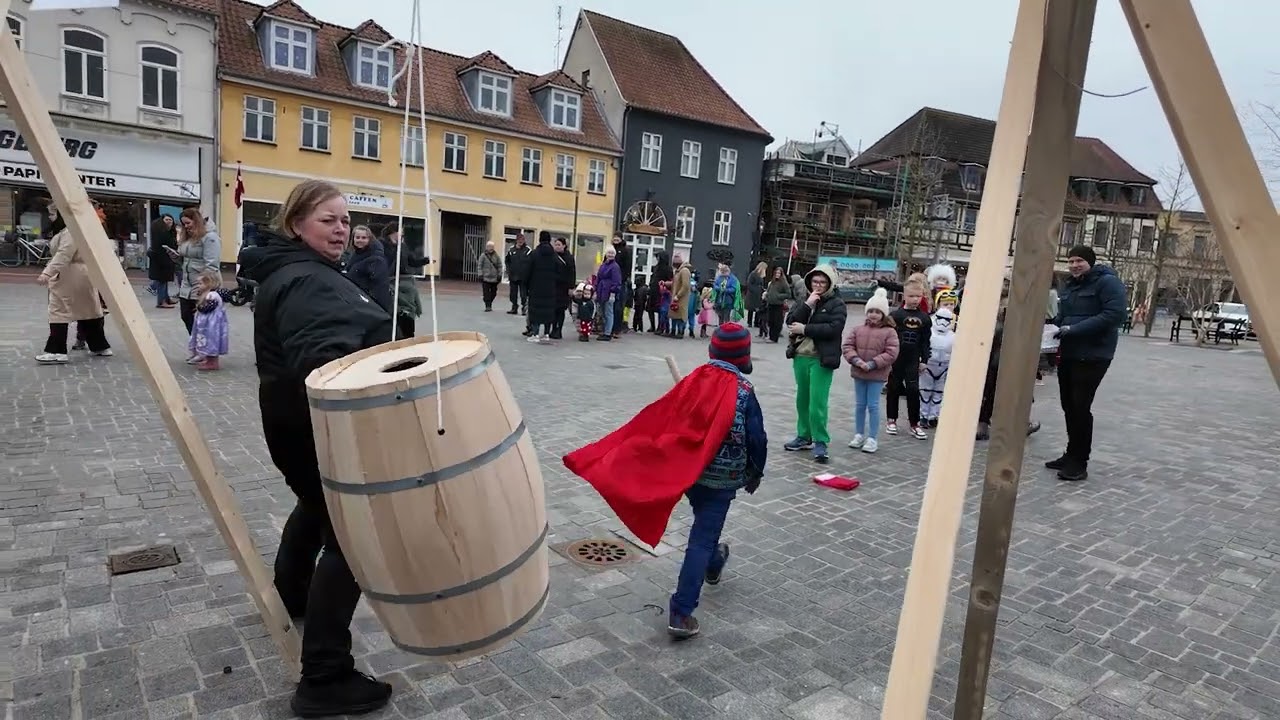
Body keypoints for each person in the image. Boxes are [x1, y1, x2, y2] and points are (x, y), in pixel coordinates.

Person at [240, 179, 395, 717]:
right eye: (327, 219)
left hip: (294, 427)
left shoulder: (301, 271)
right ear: (295, 224)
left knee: (315, 503)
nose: (340, 228)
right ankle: (324, 677)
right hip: (320, 430)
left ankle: (292, 590)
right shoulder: (306, 280)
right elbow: (325, 363)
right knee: (351, 537)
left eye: (344, 219)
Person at [562, 322, 766, 639]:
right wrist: (755, 473)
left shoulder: (696, 381)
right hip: (723, 480)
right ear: (744, 357)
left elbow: (674, 420)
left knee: (705, 531)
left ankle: (715, 561)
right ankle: (681, 612)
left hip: (692, 475)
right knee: (701, 537)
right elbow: (757, 438)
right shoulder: (744, 392)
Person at [1047, 246, 1126, 482]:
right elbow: (1064, 315)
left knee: (1080, 408)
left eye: (1079, 260)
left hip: (1093, 355)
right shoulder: (1071, 285)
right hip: (1070, 352)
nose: (1074, 265)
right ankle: (1071, 453)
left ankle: (1079, 463)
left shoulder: (1107, 282)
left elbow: (1114, 315)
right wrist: (1052, 326)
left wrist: (1074, 329)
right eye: (1070, 261)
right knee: (1068, 406)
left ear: (1090, 261)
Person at [782, 263, 847, 463]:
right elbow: (791, 321)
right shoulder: (805, 299)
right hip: (801, 355)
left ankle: (820, 440)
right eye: (815, 281)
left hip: (821, 358)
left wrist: (806, 329)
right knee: (802, 399)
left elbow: (833, 328)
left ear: (830, 283)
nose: (818, 285)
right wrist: (807, 305)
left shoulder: (837, 304)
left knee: (817, 402)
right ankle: (804, 435)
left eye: (822, 282)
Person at [35, 207, 113, 364]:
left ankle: (56, 350)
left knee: (59, 310)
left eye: (53, 214)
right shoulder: (79, 229)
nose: (50, 217)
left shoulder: (71, 231)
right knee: (89, 310)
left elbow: (64, 253)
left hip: (69, 274)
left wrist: (47, 272)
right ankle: (99, 346)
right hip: (83, 274)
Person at [841, 288, 899, 454]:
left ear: (884, 314)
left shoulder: (890, 332)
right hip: (859, 372)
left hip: (877, 374)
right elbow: (848, 346)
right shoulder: (858, 330)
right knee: (860, 405)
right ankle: (859, 434)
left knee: (873, 405)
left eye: (877, 312)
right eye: (871, 311)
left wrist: (873, 364)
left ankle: (872, 437)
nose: (873, 315)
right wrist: (856, 360)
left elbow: (891, 352)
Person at [885, 280, 931, 439]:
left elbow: (926, 341)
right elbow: (887, 338)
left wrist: (924, 360)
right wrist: (886, 358)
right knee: (893, 388)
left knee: (913, 390)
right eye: (911, 296)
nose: (915, 299)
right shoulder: (895, 315)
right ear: (904, 295)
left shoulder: (924, 318)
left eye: (918, 296)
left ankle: (914, 423)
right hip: (896, 358)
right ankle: (891, 419)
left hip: (913, 359)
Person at [175, 209, 222, 337]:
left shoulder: (210, 237)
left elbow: (212, 264)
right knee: (186, 316)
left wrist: (206, 288)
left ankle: (204, 350)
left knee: (202, 320)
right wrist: (176, 257)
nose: (186, 226)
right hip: (186, 283)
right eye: (183, 224)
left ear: (196, 220)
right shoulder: (188, 237)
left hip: (201, 283)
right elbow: (185, 258)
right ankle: (196, 346)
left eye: (188, 223)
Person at [383, 227, 425, 336]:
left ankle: (408, 335)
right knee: (396, 310)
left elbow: (412, 261)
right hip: (392, 281)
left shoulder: (403, 247)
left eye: (402, 233)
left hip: (406, 280)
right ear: (392, 233)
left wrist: (426, 260)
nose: (402, 235)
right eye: (399, 232)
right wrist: (395, 246)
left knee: (409, 309)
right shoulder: (384, 245)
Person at [521, 231, 560, 343]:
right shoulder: (554, 255)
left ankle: (536, 334)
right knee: (548, 311)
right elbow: (559, 271)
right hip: (550, 288)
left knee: (535, 311)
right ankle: (546, 334)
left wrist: (526, 284)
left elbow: (527, 271)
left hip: (536, 287)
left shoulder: (534, 254)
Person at [919, 307, 955, 427]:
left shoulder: (953, 336)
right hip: (929, 365)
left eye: (947, 319)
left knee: (938, 393)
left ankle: (933, 415)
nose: (943, 322)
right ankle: (923, 415)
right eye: (940, 318)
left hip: (944, 366)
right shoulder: (929, 332)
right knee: (925, 391)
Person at [188, 270, 230, 371]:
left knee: (211, 341)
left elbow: (206, 308)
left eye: (200, 283)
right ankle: (208, 359)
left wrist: (199, 307)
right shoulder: (207, 294)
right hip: (207, 324)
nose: (198, 285)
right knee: (206, 341)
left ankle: (213, 362)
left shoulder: (212, 295)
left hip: (211, 325)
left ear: (209, 283)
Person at [344, 225, 390, 312]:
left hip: (366, 305)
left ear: (370, 240)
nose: (360, 240)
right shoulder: (353, 255)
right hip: (353, 302)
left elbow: (380, 287)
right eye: (357, 237)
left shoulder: (376, 259)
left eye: (364, 238)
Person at [147, 214, 178, 309]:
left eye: (171, 220)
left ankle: (166, 298)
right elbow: (159, 248)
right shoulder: (161, 232)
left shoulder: (170, 232)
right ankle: (161, 301)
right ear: (162, 221)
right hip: (162, 260)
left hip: (166, 259)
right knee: (162, 280)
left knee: (165, 280)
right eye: (167, 220)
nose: (169, 221)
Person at [595, 247, 623, 341]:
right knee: (602, 312)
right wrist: (596, 288)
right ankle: (604, 331)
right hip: (601, 291)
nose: (610, 254)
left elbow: (617, 281)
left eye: (612, 253)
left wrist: (613, 292)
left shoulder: (615, 266)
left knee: (608, 312)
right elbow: (598, 277)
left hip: (609, 292)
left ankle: (607, 333)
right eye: (609, 253)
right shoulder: (603, 265)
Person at [551, 237, 576, 339]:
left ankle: (558, 330)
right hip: (553, 286)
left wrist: (571, 287)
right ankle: (553, 329)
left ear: (564, 246)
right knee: (553, 309)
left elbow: (572, 273)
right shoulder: (552, 256)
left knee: (560, 310)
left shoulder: (568, 257)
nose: (557, 247)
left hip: (564, 287)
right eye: (555, 245)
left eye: (559, 245)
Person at [610, 233, 633, 334]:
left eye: (617, 238)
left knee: (618, 306)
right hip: (609, 282)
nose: (615, 239)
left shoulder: (625, 251)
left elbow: (627, 268)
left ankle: (617, 328)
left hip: (620, 282)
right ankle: (609, 327)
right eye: (614, 238)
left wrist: (621, 280)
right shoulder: (610, 250)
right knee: (609, 306)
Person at [505, 233, 532, 315]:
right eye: (519, 240)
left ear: (524, 240)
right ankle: (514, 307)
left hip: (524, 277)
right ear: (516, 240)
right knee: (513, 293)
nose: (520, 241)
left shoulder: (528, 250)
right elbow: (507, 261)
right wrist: (508, 270)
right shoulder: (511, 250)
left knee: (523, 294)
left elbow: (531, 263)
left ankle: (524, 308)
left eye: (522, 240)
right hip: (513, 276)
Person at [763, 267, 791, 342]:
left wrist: (779, 296)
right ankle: (770, 336)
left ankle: (774, 338)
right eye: (776, 273)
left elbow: (788, 294)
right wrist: (767, 295)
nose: (777, 275)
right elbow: (769, 290)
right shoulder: (773, 281)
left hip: (778, 305)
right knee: (770, 321)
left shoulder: (784, 283)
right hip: (770, 304)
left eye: (779, 273)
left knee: (776, 322)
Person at [668, 253, 692, 338]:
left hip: (681, 298)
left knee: (680, 316)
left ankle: (680, 332)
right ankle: (673, 331)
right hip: (675, 297)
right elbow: (676, 283)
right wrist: (667, 284)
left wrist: (678, 295)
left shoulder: (684, 271)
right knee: (675, 314)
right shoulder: (678, 271)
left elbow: (685, 286)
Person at [477, 240, 503, 312]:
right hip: (485, 277)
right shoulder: (483, 256)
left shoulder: (496, 256)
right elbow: (480, 265)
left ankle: (488, 301)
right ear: (487, 247)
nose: (491, 248)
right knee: (486, 292)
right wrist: (480, 274)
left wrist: (500, 274)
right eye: (489, 247)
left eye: (492, 247)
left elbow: (500, 266)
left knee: (494, 292)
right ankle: (488, 305)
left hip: (494, 278)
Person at [745, 261, 767, 335]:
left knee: (758, 308)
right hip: (752, 294)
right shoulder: (753, 274)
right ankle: (749, 322)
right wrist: (754, 290)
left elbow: (761, 284)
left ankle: (756, 322)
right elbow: (749, 283)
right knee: (751, 309)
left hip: (758, 294)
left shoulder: (761, 275)